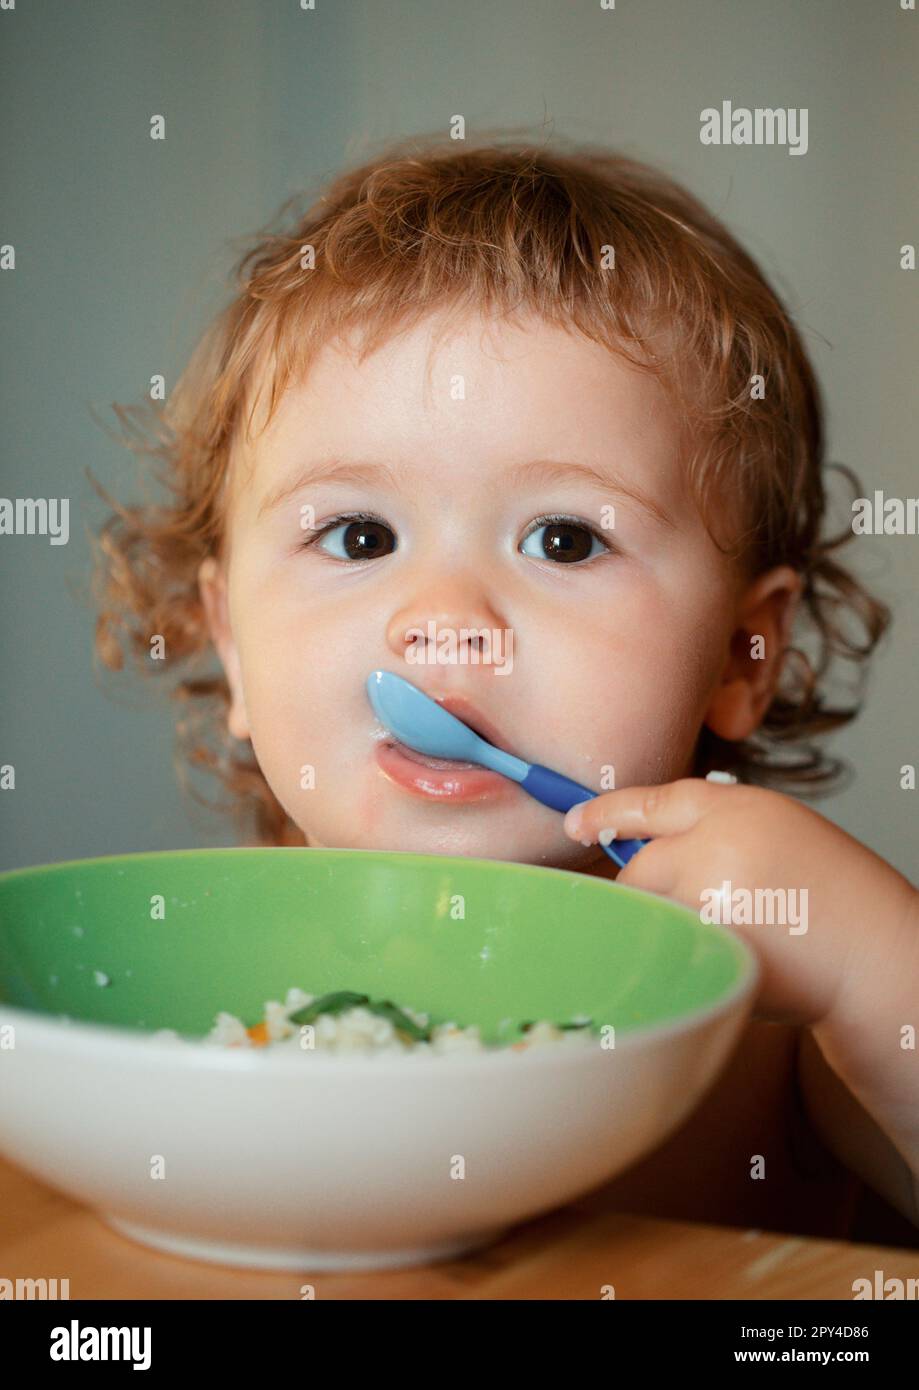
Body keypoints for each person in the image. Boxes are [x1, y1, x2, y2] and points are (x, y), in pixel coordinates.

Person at [89, 139, 919, 1245]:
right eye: (359, 534)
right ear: (233, 643)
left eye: (565, 539)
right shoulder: (171, 981)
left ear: (741, 655)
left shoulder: (776, 1012)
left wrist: (875, 965)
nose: (446, 618)